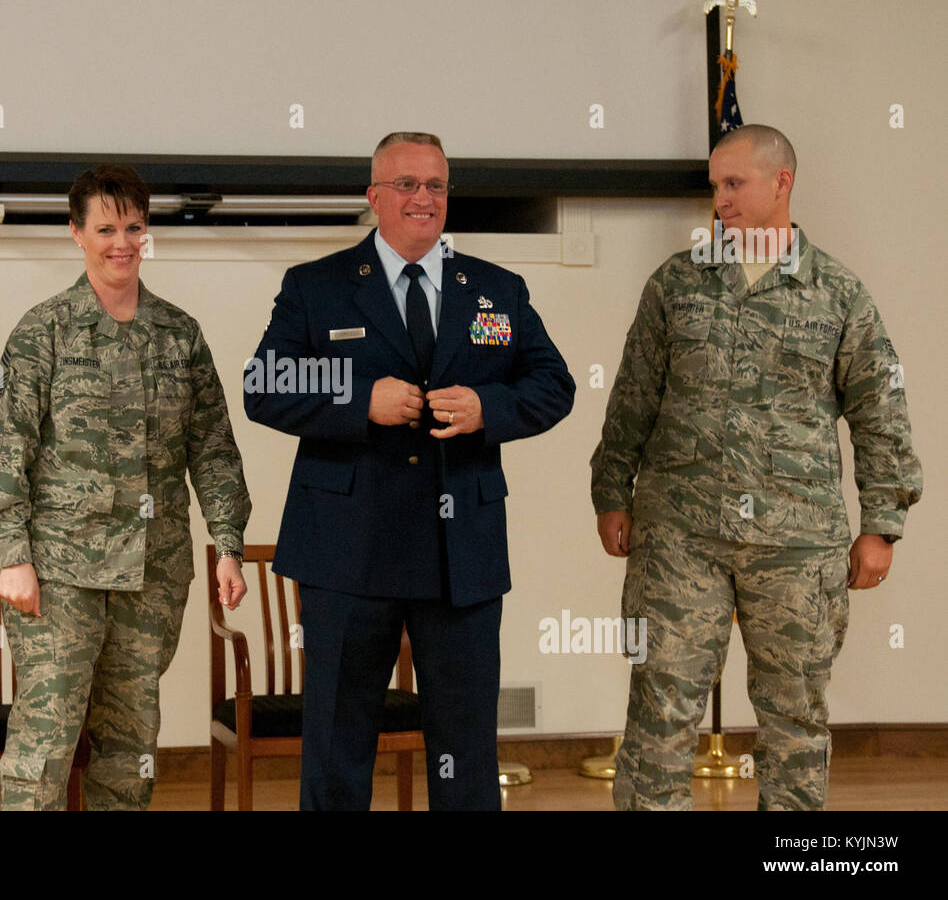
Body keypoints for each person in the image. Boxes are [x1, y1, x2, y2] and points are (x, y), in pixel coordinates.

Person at [591, 124, 922, 810]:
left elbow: (880, 409)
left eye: (734, 183)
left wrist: (882, 524)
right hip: (679, 538)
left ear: (782, 183)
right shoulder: (677, 283)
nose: (721, 198)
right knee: (659, 710)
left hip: (795, 543)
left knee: (794, 720)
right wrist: (610, 490)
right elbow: (632, 396)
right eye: (715, 185)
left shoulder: (838, 293)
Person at [245, 132, 575, 810]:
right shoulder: (318, 285)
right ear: (374, 197)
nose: (422, 198)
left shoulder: (494, 289)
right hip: (347, 550)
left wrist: (489, 405)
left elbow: (555, 383)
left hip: (462, 554)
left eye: (436, 186)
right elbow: (265, 382)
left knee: (466, 751)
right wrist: (359, 399)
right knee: (338, 746)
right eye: (406, 184)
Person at [0, 164, 251, 811]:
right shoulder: (44, 331)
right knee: (45, 744)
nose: (121, 242)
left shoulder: (179, 335)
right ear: (76, 233)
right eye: (105, 228)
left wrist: (228, 543)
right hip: (59, 571)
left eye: (133, 227)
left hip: (152, 573)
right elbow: (3, 449)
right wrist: (11, 555)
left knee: (131, 748)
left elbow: (212, 448)